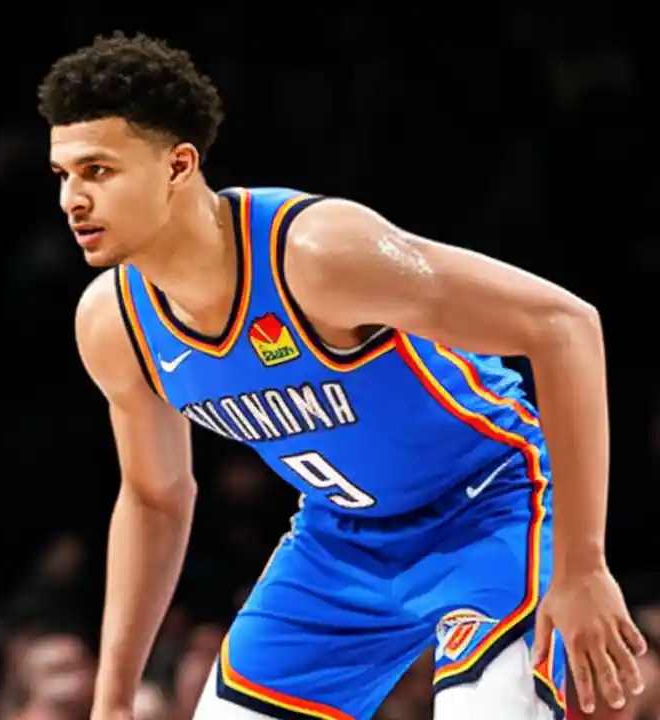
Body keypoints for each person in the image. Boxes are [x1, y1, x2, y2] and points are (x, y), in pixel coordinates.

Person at [38, 31, 648, 720]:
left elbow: (565, 325)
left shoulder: (318, 254)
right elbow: (154, 498)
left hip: (489, 505)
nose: (72, 199)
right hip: (339, 542)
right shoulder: (113, 324)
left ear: (178, 165)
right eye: (63, 175)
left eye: (98, 171)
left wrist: (583, 566)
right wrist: (113, 699)